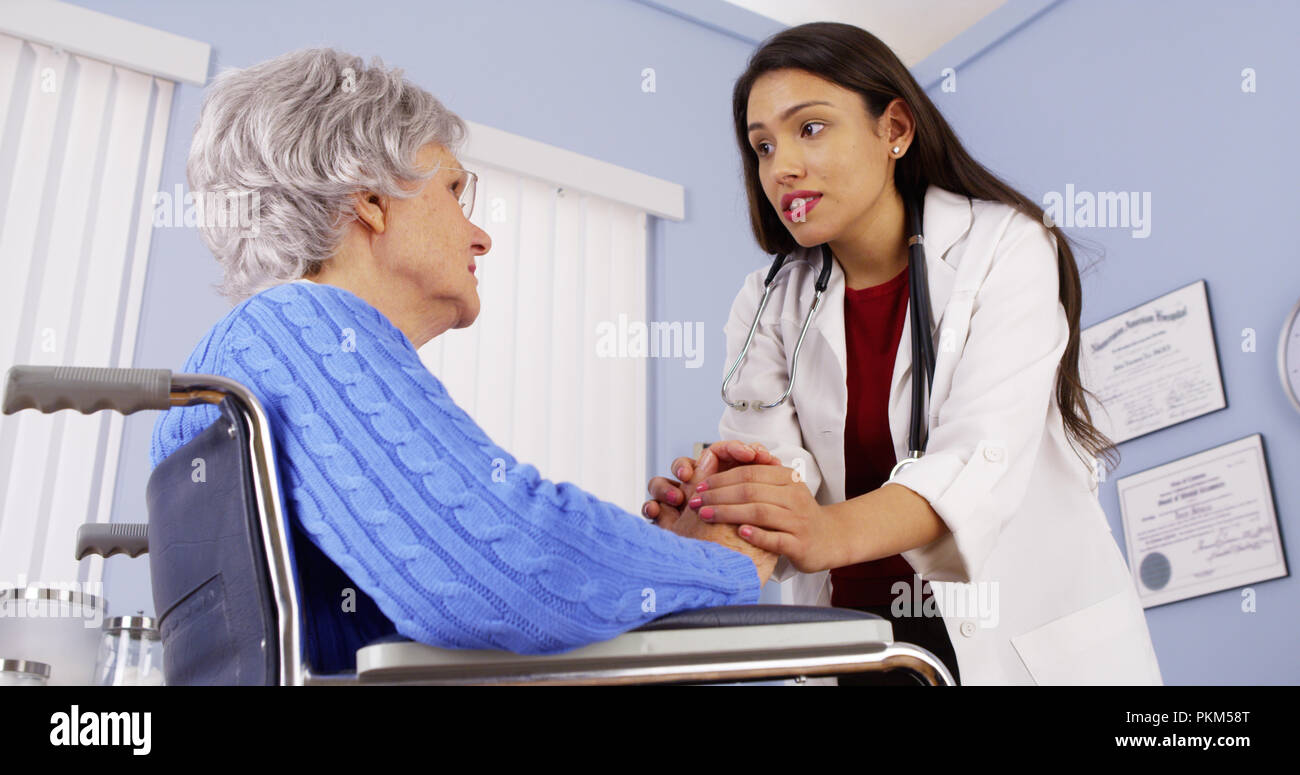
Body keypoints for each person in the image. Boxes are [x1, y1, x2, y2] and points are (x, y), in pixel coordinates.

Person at [149, 47, 778, 674]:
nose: (481, 236)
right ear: (371, 198)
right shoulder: (297, 325)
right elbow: (499, 567)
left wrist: (661, 559)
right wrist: (726, 567)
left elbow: (466, 584)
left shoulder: (252, 353)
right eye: (454, 189)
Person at [642, 23, 1163, 685]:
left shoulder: (1005, 248)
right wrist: (716, 520)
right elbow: (778, 480)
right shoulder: (765, 304)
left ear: (895, 129)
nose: (782, 168)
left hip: (1022, 643)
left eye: (809, 129)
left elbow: (978, 459)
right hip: (864, 650)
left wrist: (820, 531)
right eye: (762, 146)